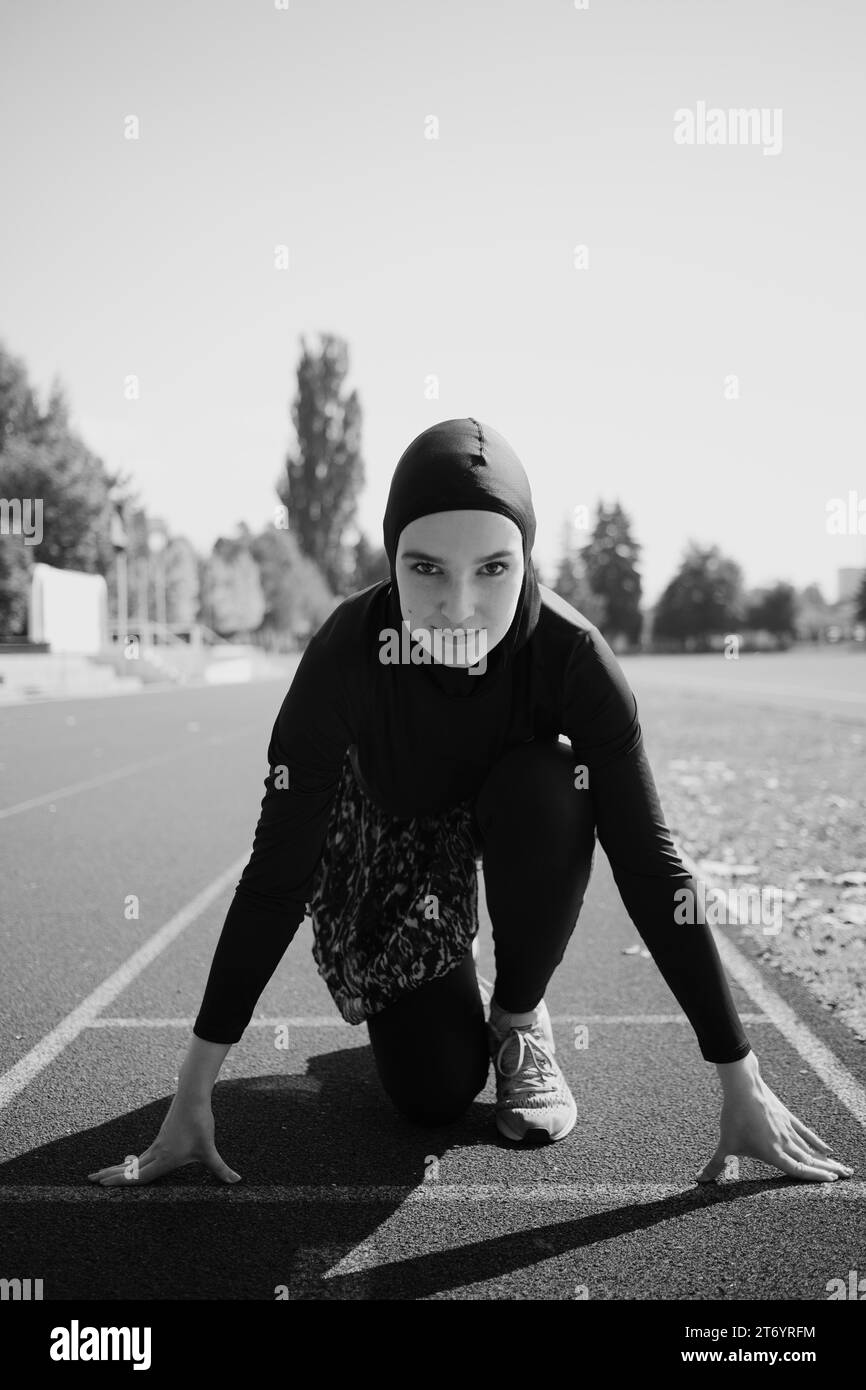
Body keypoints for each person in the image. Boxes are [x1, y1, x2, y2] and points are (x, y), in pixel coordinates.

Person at [88, 418, 854, 1187]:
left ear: (528, 559)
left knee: (554, 783)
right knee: (434, 1095)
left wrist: (738, 1074)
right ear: (391, 562)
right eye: (427, 568)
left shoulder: (574, 658)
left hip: (511, 809)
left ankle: (518, 1013)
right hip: (389, 825)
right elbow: (277, 875)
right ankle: (446, 977)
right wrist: (194, 1089)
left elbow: (650, 863)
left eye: (493, 568)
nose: (459, 606)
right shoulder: (346, 656)